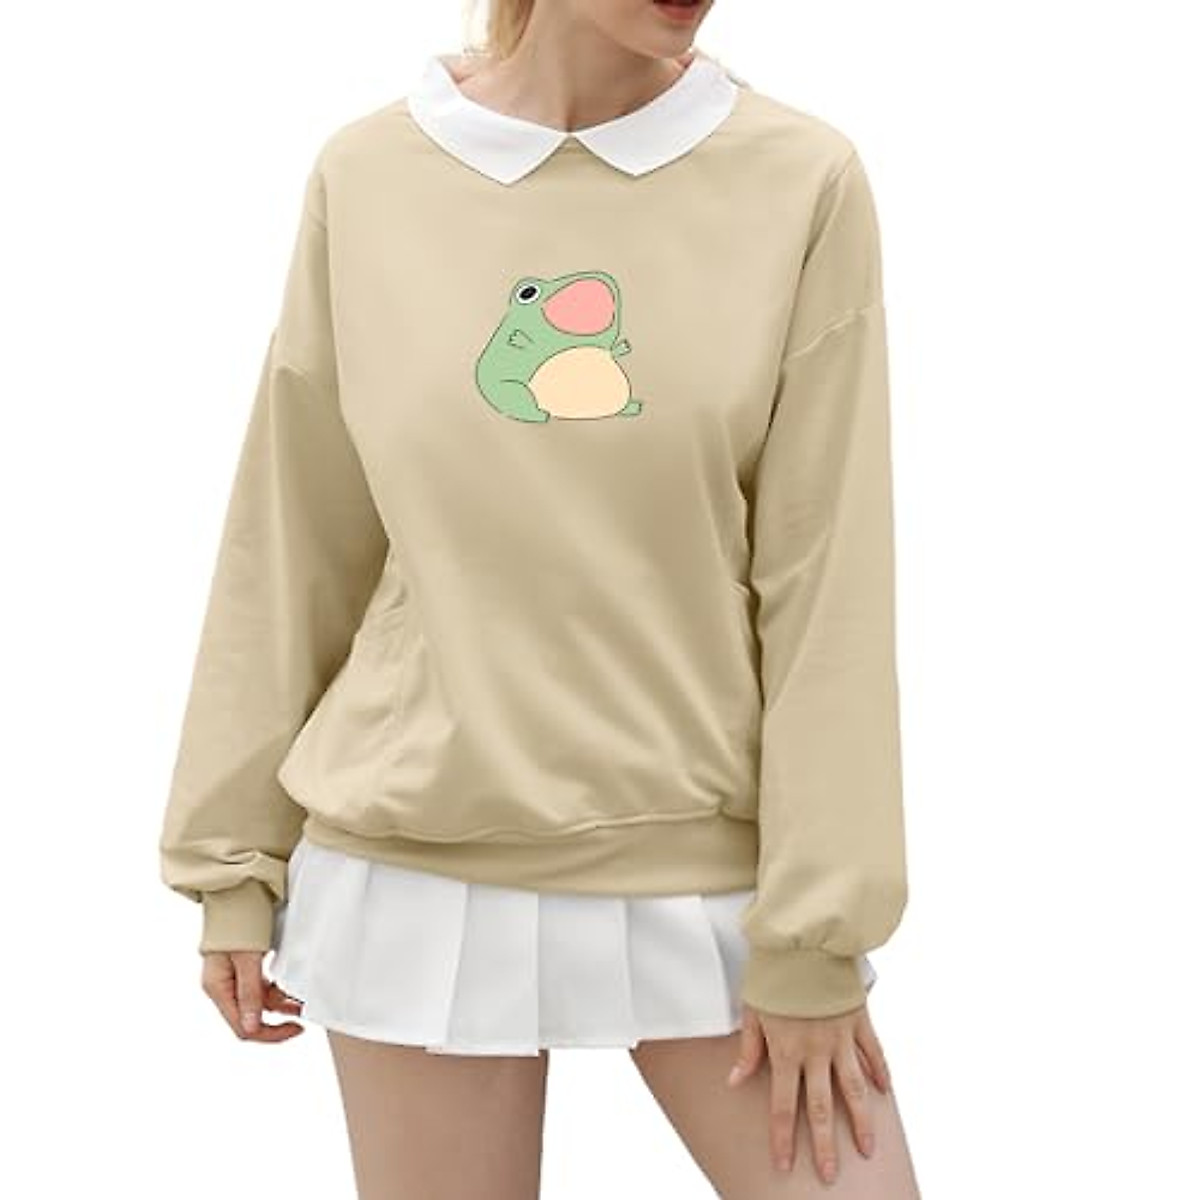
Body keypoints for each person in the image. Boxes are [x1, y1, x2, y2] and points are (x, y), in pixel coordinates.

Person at [157, 0, 922, 1195]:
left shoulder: (798, 179)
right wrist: (230, 861)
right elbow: (295, 529)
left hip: (706, 858)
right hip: (413, 853)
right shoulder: (370, 175)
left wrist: (819, 931)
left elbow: (828, 577)